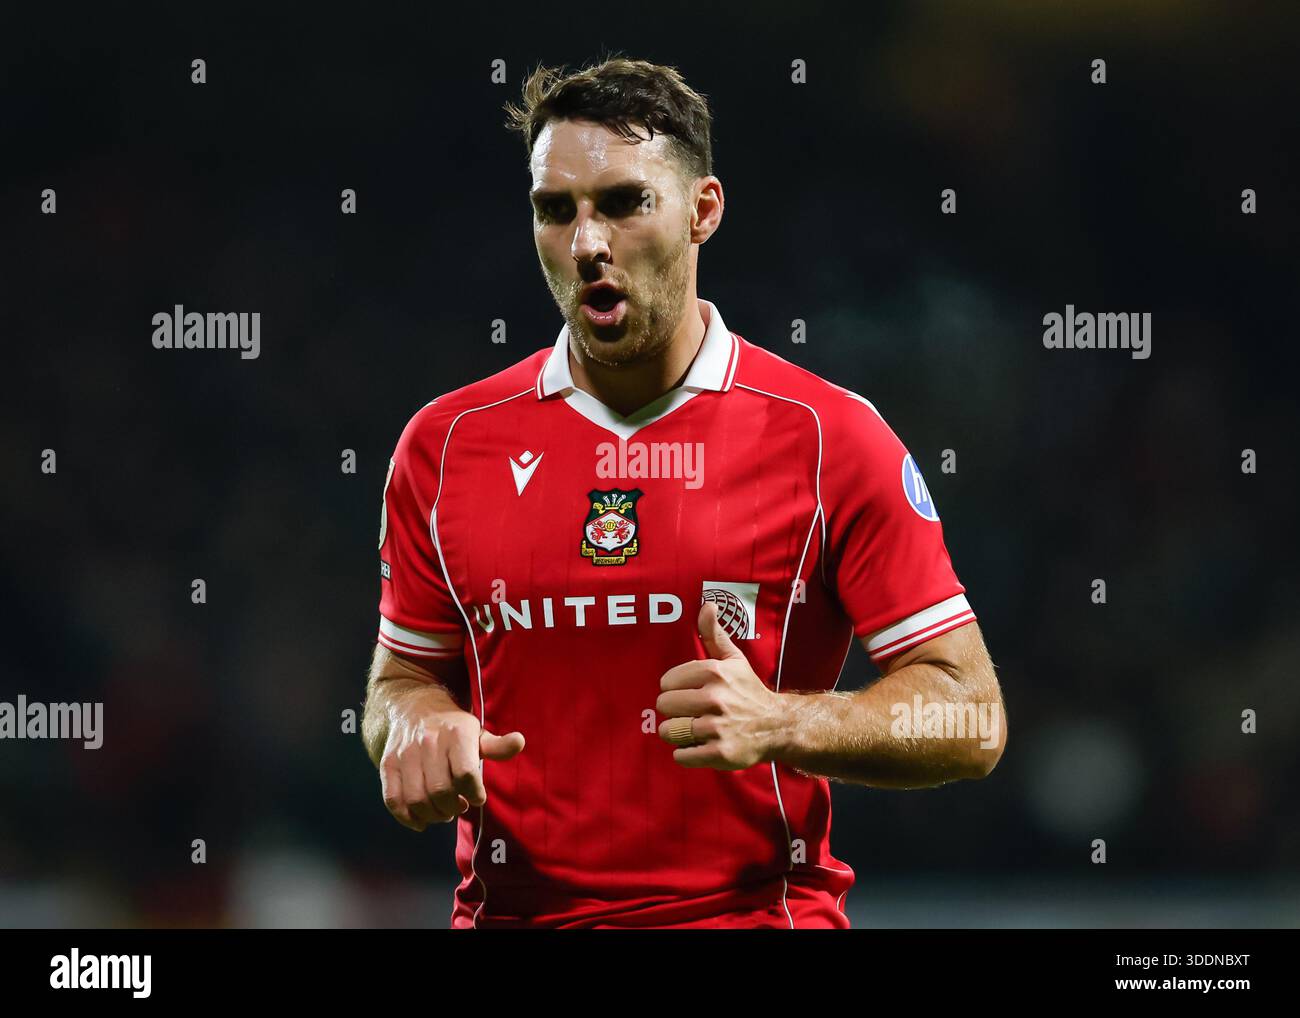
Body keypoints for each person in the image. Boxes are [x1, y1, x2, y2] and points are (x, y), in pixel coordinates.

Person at [361, 57, 1005, 928]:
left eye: (624, 203)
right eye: (557, 210)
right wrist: (414, 724)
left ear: (703, 211)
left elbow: (970, 720)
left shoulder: (828, 438)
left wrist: (784, 722)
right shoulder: (445, 446)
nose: (589, 242)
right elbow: (399, 679)